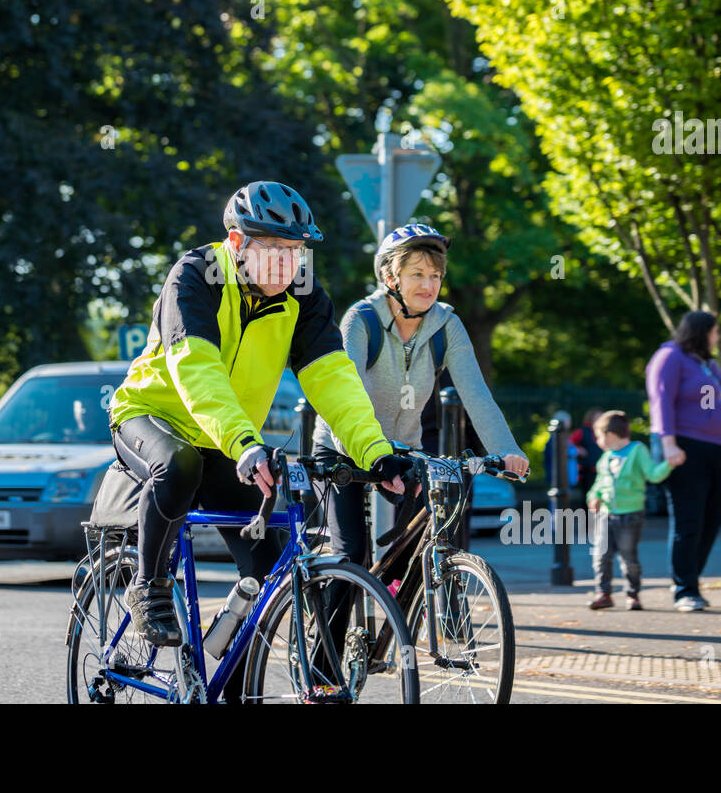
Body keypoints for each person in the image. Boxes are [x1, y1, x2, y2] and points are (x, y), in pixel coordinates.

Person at [107, 181, 415, 652]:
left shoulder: (304, 296)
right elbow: (198, 370)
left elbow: (334, 381)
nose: (286, 262)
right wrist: (246, 443)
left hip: (228, 443)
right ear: (236, 243)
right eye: (272, 248)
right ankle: (148, 588)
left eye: (295, 250)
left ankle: (234, 686)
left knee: (269, 578)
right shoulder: (195, 274)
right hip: (152, 416)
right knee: (179, 463)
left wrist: (376, 453)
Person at [310, 223, 528, 576]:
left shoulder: (446, 325)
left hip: (403, 448)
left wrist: (506, 450)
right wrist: (373, 454)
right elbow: (347, 399)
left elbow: (475, 392)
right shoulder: (361, 320)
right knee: (352, 557)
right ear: (391, 278)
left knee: (416, 547)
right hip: (343, 445)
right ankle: (332, 628)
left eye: (436, 275)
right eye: (417, 274)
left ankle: (403, 617)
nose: (429, 285)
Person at [645, 310, 721, 611]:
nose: (717, 337)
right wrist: (668, 444)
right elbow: (661, 399)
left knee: (713, 518)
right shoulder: (670, 356)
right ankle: (685, 589)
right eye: (714, 331)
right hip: (687, 448)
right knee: (689, 520)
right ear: (701, 331)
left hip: (720, 450)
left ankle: (689, 578)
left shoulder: (708, 364)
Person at [586, 410, 678, 610]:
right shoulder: (606, 458)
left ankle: (632, 594)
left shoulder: (637, 450)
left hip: (631, 515)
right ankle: (603, 593)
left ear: (610, 435)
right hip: (606, 515)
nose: (598, 441)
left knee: (628, 557)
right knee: (601, 555)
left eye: (599, 436)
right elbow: (599, 484)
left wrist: (668, 465)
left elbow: (653, 475)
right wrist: (594, 497)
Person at [571, 407, 604, 503]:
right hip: (587, 471)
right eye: (597, 418)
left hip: (601, 469)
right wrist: (579, 449)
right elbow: (568, 443)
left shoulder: (604, 432)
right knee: (588, 497)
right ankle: (586, 517)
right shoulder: (582, 431)